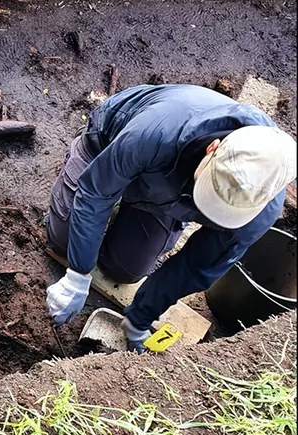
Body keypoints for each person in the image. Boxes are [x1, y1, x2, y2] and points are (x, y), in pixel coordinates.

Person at [44, 83, 296, 351]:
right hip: (108, 146)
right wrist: (78, 274)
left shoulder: (258, 212)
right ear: (213, 148)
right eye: (212, 194)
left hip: (163, 198)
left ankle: (125, 216)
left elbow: (196, 266)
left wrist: (141, 319)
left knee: (126, 270)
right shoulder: (157, 131)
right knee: (63, 242)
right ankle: (99, 202)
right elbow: (96, 191)